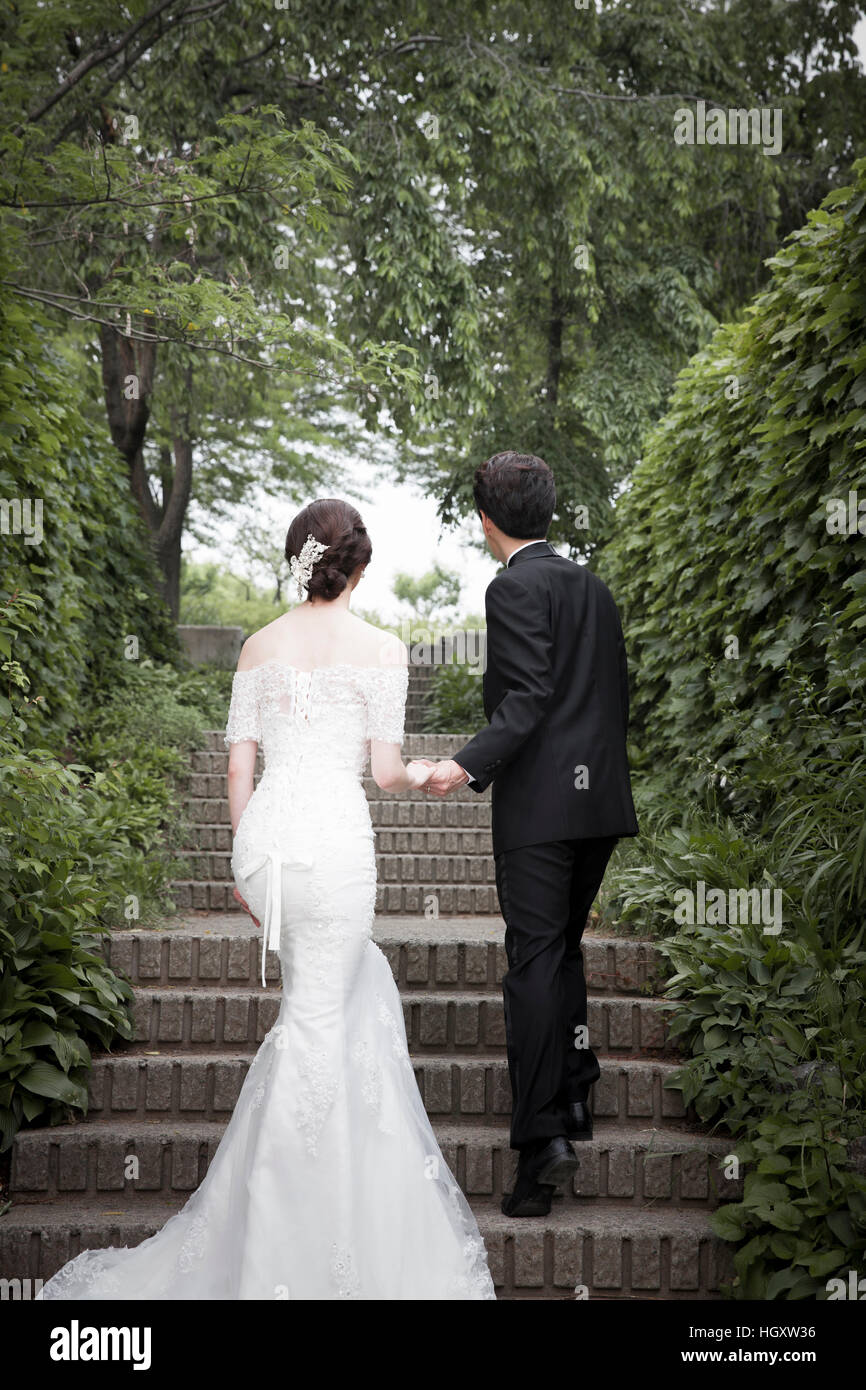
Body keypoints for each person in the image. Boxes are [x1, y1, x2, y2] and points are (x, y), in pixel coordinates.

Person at [38, 498, 495, 1300]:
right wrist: (436, 773)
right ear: (359, 568)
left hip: (273, 851)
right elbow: (386, 772)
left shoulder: (257, 646)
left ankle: (308, 1223)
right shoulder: (383, 649)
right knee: (322, 1024)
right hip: (337, 856)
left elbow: (238, 770)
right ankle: (304, 1247)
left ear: (300, 561)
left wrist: (246, 863)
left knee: (337, 1005)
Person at [424, 453, 639, 1218]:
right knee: (562, 950)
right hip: (600, 807)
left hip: (542, 811)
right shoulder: (594, 587)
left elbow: (528, 694)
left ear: (486, 520)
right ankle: (577, 1091)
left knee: (533, 964)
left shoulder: (511, 585)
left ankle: (540, 1145)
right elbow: (616, 693)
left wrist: (461, 765)